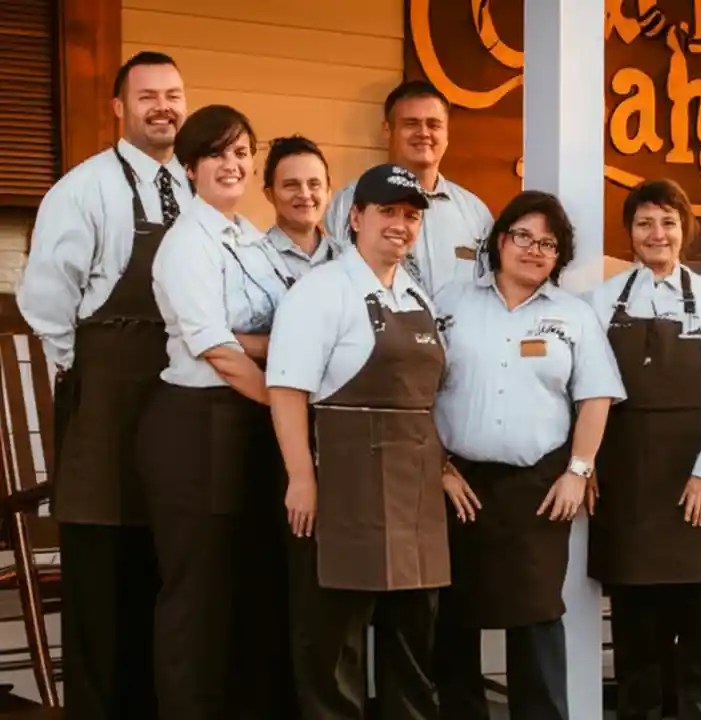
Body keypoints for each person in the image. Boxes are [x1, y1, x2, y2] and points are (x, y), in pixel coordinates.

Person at [15, 50, 187, 720]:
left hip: (180, 403)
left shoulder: (198, 189)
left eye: (172, 95)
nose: (162, 107)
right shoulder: (83, 189)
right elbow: (45, 302)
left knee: (163, 567)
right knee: (102, 578)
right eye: (147, 96)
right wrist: (92, 371)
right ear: (119, 108)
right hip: (106, 405)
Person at [430, 190, 625, 720]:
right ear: (500, 240)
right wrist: (438, 467)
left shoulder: (573, 315)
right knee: (453, 618)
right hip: (458, 485)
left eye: (548, 244)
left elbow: (596, 396)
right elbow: (417, 386)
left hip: (537, 489)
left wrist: (578, 470)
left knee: (536, 617)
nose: (534, 250)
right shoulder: (449, 303)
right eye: (523, 237)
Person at [267, 163, 448, 719]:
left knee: (412, 638)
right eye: (387, 211)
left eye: (411, 215)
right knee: (333, 643)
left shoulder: (417, 296)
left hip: (415, 489)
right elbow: (287, 390)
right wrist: (301, 478)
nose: (400, 224)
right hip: (342, 482)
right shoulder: (320, 292)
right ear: (356, 218)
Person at [135, 104, 296, 719]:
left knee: (249, 586)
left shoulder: (252, 237)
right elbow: (217, 351)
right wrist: (287, 408)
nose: (231, 164)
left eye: (241, 152)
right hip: (196, 427)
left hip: (248, 423)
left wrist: (254, 346)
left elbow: (280, 332)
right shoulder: (185, 244)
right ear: (189, 167)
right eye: (216, 154)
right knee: (197, 592)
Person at [586, 179, 701, 720]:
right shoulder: (603, 301)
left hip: (692, 471)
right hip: (627, 474)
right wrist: (587, 464)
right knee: (635, 612)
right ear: (629, 232)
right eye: (645, 223)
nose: (657, 234)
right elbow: (588, 389)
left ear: (685, 230)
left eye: (668, 222)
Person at [325, 80, 493, 296]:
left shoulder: (475, 213)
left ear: (447, 135)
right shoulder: (351, 202)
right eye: (411, 123)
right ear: (387, 130)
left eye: (434, 125)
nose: (423, 133)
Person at [263, 135, 339, 278]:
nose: (305, 194)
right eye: (291, 185)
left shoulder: (347, 259)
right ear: (269, 194)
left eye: (314, 184)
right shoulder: (253, 259)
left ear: (328, 192)